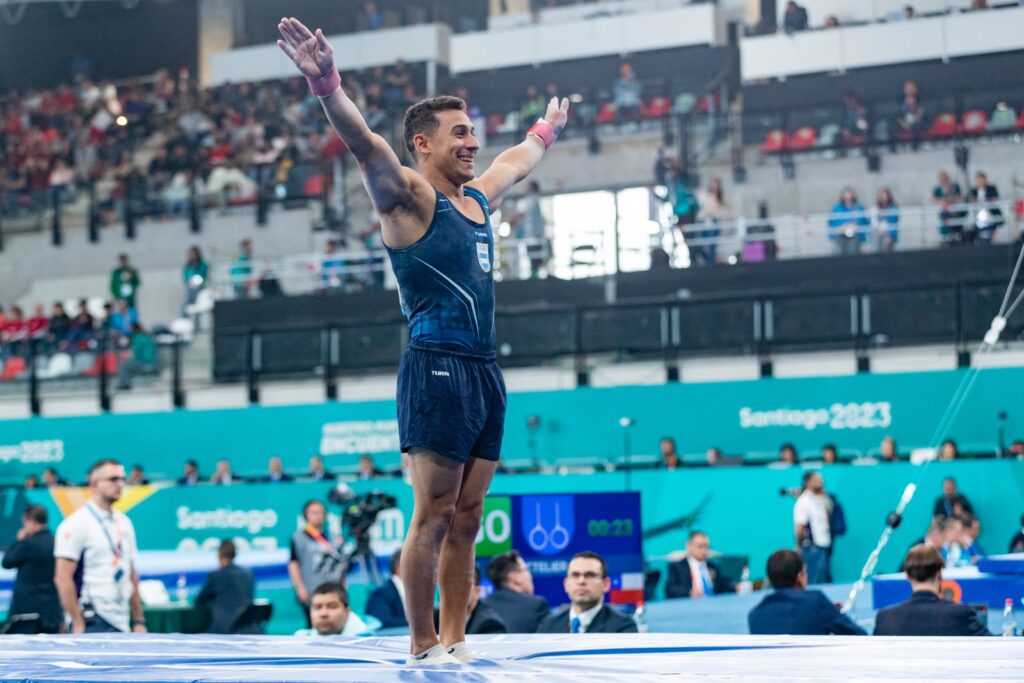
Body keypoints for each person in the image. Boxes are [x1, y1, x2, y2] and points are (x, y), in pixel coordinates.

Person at [277, 15, 568, 665]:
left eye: (471, 131)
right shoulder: (407, 198)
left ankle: (458, 639)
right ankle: (420, 642)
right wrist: (326, 83)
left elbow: (515, 162)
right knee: (433, 512)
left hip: (484, 368)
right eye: (459, 133)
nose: (472, 142)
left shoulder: (479, 199)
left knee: (469, 516)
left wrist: (545, 132)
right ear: (423, 143)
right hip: (435, 365)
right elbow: (364, 144)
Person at [54, 459, 146, 633]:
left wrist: (139, 620)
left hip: (121, 619)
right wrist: (77, 621)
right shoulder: (76, 524)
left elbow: (131, 573)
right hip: (93, 618)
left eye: (122, 479)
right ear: (94, 484)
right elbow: (62, 578)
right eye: (113, 479)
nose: (120, 484)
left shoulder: (124, 523)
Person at [874, 545, 991, 636]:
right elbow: (993, 645)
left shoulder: (885, 618)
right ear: (939, 574)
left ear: (908, 577)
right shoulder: (961, 614)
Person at [748, 549, 865, 635]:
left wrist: (827, 611)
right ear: (800, 577)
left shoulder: (754, 616)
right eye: (806, 572)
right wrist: (830, 612)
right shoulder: (816, 602)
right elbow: (858, 635)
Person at [536, 551, 638, 634]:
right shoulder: (549, 625)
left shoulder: (623, 627)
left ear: (606, 584)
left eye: (590, 575)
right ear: (566, 584)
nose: (581, 581)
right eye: (575, 575)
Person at [1, 505, 62, 633]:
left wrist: (18, 540)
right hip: (51, 611)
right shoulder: (57, 542)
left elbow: (7, 562)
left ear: (30, 521)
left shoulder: (27, 543)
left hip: (27, 611)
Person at [289, 500, 345, 626]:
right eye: (314, 512)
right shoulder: (298, 538)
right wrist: (300, 588)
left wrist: (343, 584)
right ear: (306, 516)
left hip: (333, 586)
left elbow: (341, 563)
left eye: (321, 512)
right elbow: (294, 564)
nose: (318, 515)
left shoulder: (334, 537)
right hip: (311, 588)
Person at [195, 539, 257, 634]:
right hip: (249, 628)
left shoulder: (215, 576)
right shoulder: (248, 574)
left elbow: (199, 600)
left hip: (223, 629)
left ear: (219, 555)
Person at [482, 550, 550, 633]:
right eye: (526, 569)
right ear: (515, 577)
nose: (530, 575)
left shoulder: (482, 607)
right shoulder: (536, 606)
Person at [665, 531, 737, 599]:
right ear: (689, 546)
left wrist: (735, 586)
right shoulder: (678, 567)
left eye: (706, 547)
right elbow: (671, 589)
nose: (704, 551)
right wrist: (689, 592)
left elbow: (722, 582)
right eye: (700, 546)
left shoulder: (712, 566)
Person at [794, 471, 833, 584]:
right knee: (815, 581)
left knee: (823, 580)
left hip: (823, 546)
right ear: (808, 482)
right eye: (817, 479)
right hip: (812, 547)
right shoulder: (803, 501)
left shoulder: (818, 499)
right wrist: (799, 546)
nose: (821, 481)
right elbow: (799, 527)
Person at [295, 582, 373, 636]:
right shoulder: (300, 640)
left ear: (347, 611)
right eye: (317, 607)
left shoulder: (368, 644)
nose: (323, 614)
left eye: (332, 607)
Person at [510, 180, 549, 278]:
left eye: (526, 186)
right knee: (534, 254)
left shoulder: (531, 200)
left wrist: (511, 220)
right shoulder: (535, 200)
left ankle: (534, 274)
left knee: (534, 254)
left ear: (530, 188)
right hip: (533, 233)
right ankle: (534, 273)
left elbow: (521, 214)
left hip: (533, 233)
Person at [693, 176, 734, 266]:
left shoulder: (722, 198)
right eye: (712, 184)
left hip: (714, 222)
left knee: (712, 245)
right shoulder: (705, 195)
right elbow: (702, 208)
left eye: (716, 184)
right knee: (699, 243)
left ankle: (710, 263)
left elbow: (728, 212)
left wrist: (717, 210)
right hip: (703, 221)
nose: (714, 186)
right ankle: (705, 259)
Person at [365, 549, 408, 628]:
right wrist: (419, 626)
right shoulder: (380, 594)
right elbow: (382, 623)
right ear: (401, 567)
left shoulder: (418, 593)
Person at [827, 187, 869, 255]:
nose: (848, 200)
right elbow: (832, 222)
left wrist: (855, 225)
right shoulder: (837, 208)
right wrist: (843, 226)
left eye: (850, 199)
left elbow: (864, 222)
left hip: (855, 235)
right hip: (840, 234)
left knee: (853, 251)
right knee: (840, 251)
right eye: (846, 199)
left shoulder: (859, 207)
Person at [932, 170, 966, 243]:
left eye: (945, 178)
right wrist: (942, 202)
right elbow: (933, 199)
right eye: (941, 178)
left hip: (954, 210)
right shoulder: (937, 189)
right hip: (944, 210)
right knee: (944, 220)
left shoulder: (954, 186)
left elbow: (959, 197)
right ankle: (946, 235)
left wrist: (951, 199)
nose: (943, 180)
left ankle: (956, 233)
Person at [968, 171, 1003, 243]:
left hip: (990, 212)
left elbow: (995, 198)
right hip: (978, 214)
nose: (980, 182)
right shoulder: (973, 190)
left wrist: (986, 201)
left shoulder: (991, 188)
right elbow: (970, 200)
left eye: (982, 180)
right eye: (979, 181)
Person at [875, 187, 899, 252]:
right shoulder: (877, 208)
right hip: (879, 234)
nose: (883, 198)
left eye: (884, 196)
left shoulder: (893, 207)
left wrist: (889, 235)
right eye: (881, 196)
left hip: (888, 235)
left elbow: (893, 221)